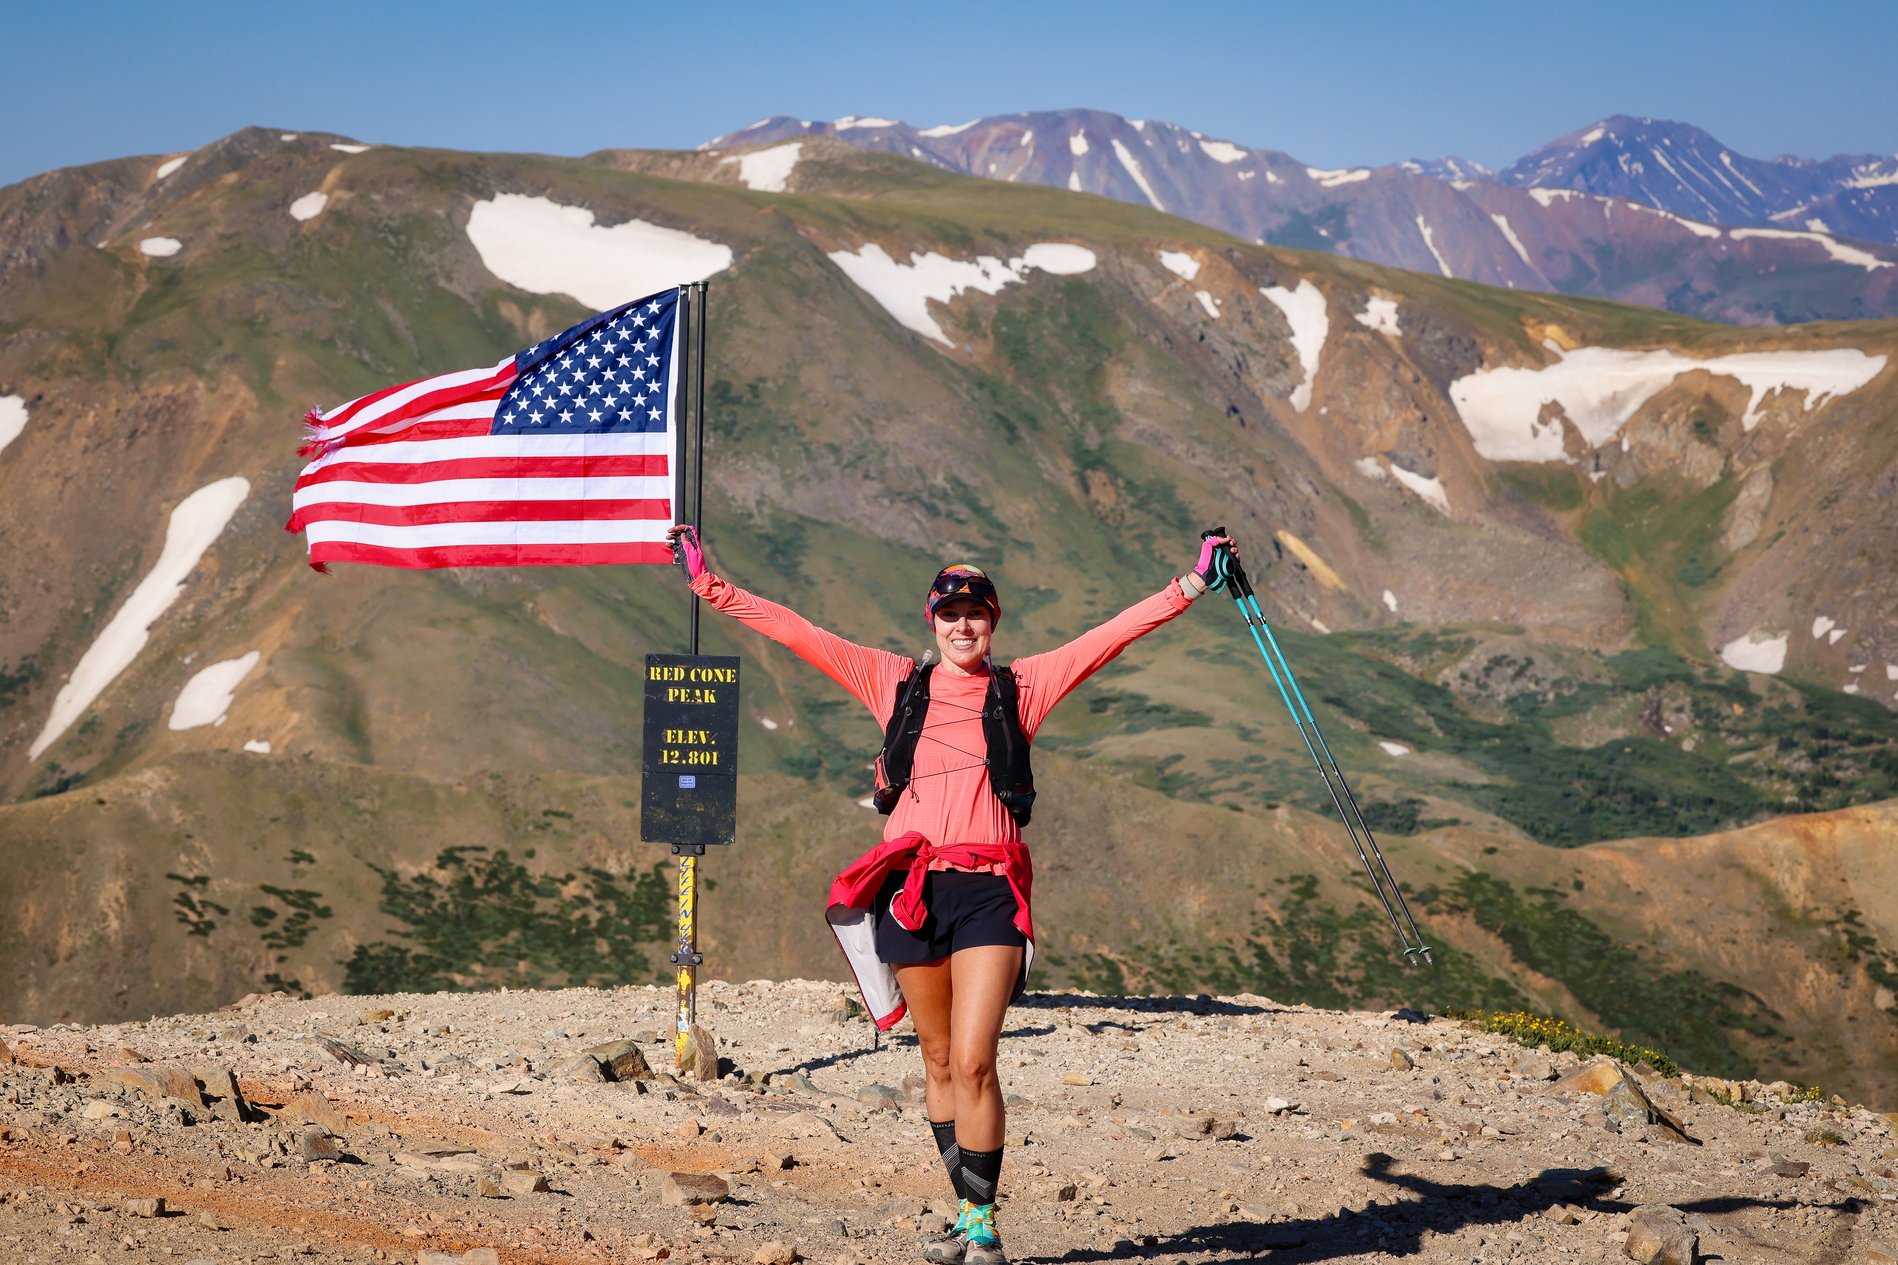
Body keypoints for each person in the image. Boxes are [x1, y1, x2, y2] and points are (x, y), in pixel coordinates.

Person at [664, 524, 1235, 1265]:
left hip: (991, 892)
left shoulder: (1021, 686)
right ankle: (966, 1214)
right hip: (910, 892)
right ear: (931, 622)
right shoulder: (895, 682)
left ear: (992, 622)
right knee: (935, 1059)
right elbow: (800, 632)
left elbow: (1110, 636)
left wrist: (1190, 584)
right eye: (948, 613)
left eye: (976, 612)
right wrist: (713, 587)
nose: (962, 624)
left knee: (973, 1059)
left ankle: (986, 1225)